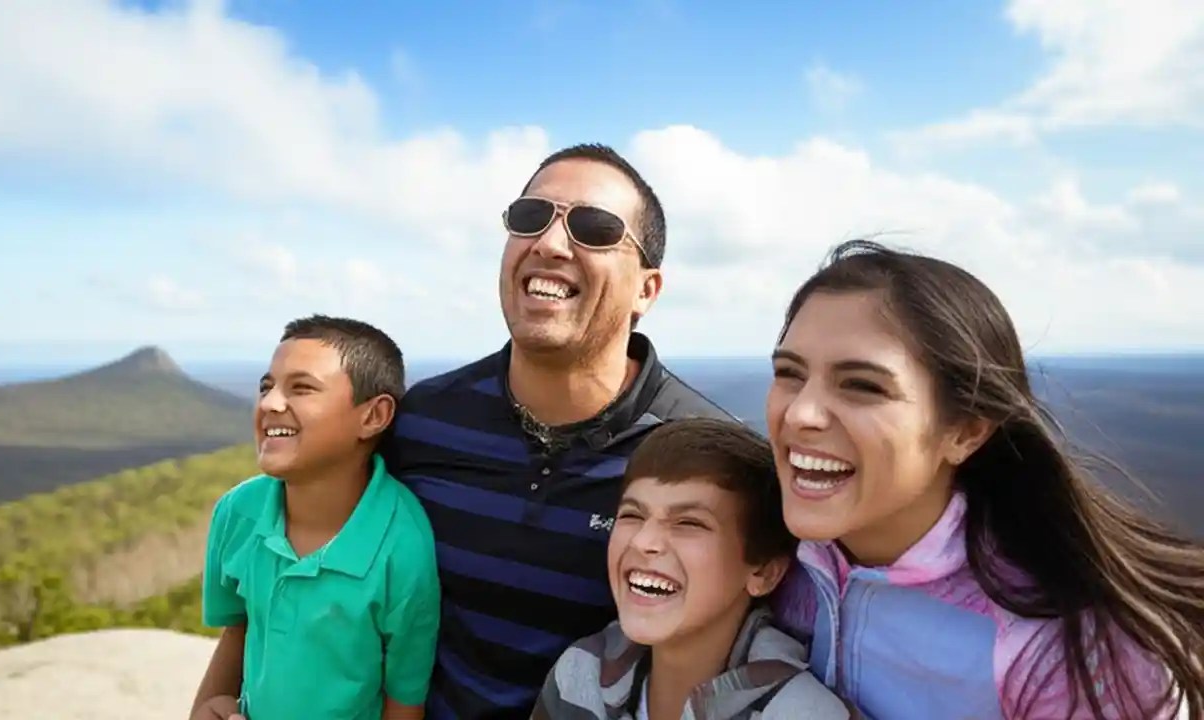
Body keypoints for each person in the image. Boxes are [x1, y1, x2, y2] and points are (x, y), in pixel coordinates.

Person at [764, 239, 1204, 719]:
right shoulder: (762, 554)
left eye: (863, 386)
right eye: (789, 373)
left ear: (967, 430)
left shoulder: (1068, 650)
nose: (801, 412)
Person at [382, 143, 735, 720]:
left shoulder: (707, 458)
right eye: (529, 217)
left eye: (594, 229)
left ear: (647, 290)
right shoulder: (424, 421)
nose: (548, 243)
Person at [189, 315, 440, 720]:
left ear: (373, 416)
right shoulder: (237, 513)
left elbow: (404, 701)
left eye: (301, 388)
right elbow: (239, 630)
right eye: (265, 387)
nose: (270, 403)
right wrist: (205, 709)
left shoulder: (403, 546)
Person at [531, 418, 857, 720]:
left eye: (688, 523)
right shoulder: (579, 675)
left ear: (764, 573)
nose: (644, 541)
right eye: (633, 515)